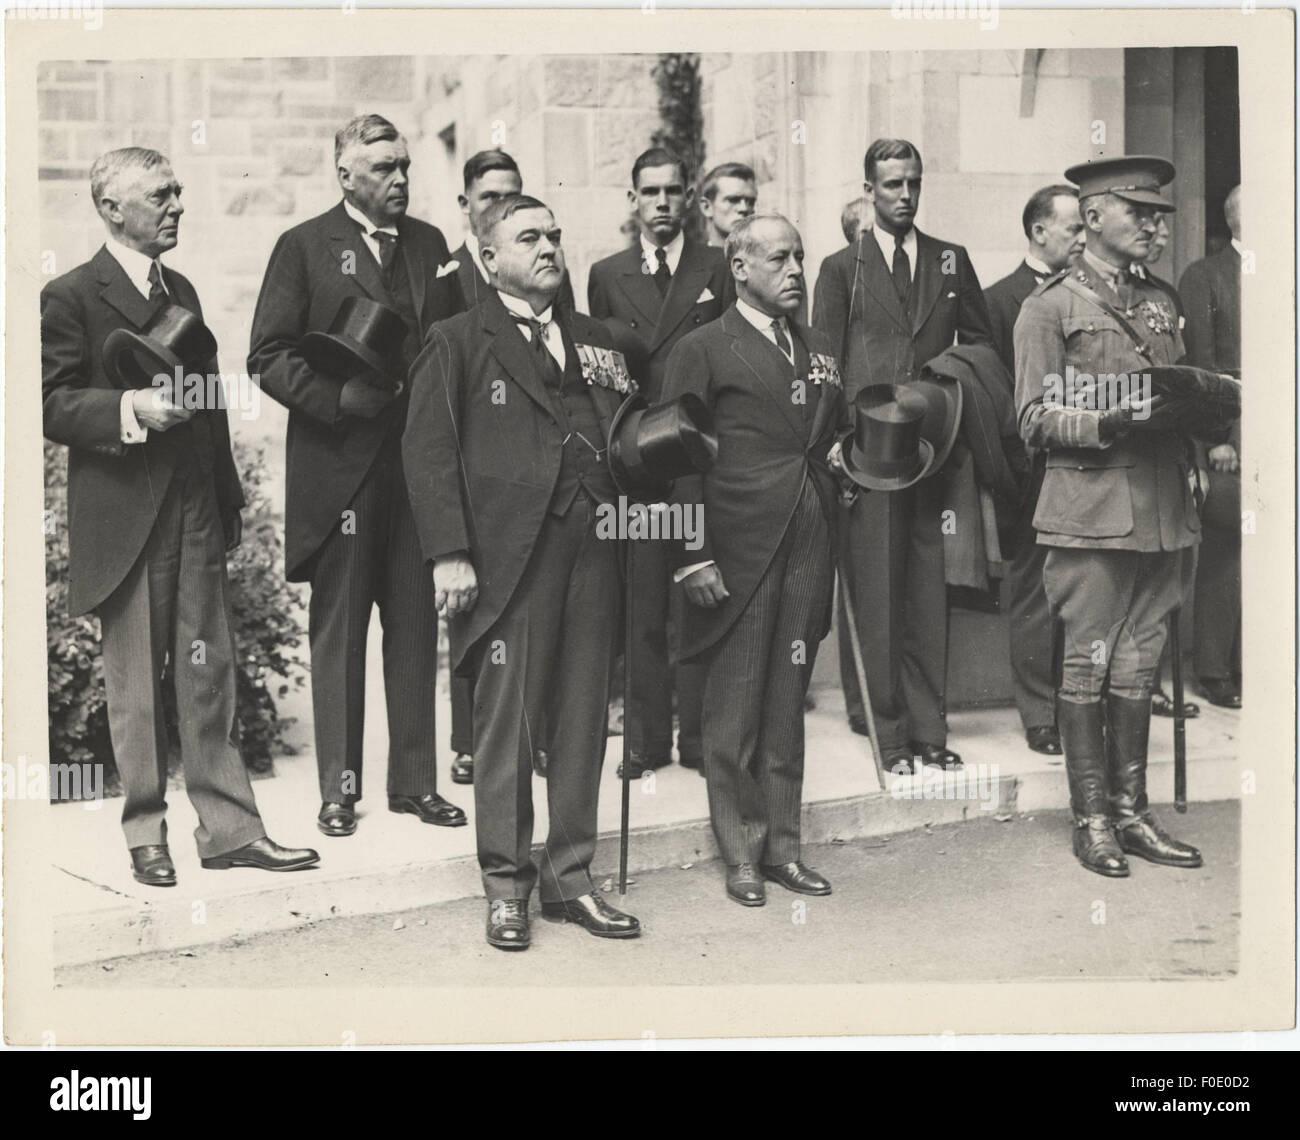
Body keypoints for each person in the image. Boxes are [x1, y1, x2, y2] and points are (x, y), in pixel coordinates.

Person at [43, 147, 319, 884]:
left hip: (194, 506)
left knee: (209, 671)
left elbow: (210, 407)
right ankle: (145, 834)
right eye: (160, 196)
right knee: (135, 684)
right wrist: (131, 408)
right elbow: (51, 402)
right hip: (126, 515)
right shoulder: (70, 295)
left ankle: (230, 829)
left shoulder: (185, 289)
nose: (176, 207)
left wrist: (226, 501)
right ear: (112, 208)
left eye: (178, 193)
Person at [404, 194, 640, 950]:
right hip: (508, 557)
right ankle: (507, 886)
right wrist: (448, 554)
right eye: (528, 237)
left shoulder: (598, 338)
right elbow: (430, 452)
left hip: (594, 548)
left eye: (555, 236)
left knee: (581, 721)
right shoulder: (456, 339)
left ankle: (571, 879)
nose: (548, 248)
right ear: (488, 257)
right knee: (505, 727)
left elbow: (624, 434)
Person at [249, 114, 467, 838]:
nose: (400, 179)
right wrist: (337, 398)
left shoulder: (434, 246)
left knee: (413, 627)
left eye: (404, 165)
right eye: (383, 168)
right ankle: (339, 791)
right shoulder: (302, 247)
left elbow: (458, 342)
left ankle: (415, 783)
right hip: (340, 474)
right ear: (346, 175)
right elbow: (269, 355)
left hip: (417, 472)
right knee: (340, 635)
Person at [1014, 154, 1205, 878]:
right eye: (1141, 213)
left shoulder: (1160, 301)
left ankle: (1133, 813)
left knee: (1138, 662)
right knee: (1090, 664)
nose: (1157, 226)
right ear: (1091, 217)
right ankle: (1092, 819)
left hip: (1162, 507)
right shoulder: (1050, 307)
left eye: (1160, 215)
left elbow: (1177, 386)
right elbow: (1030, 417)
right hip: (1091, 512)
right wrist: (1109, 418)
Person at [664, 214, 848, 905]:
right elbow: (672, 458)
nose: (796, 270)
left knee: (786, 702)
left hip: (808, 538)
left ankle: (783, 848)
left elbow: (833, 434)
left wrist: (845, 457)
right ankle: (740, 852)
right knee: (736, 706)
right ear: (740, 267)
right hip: (736, 547)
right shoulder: (703, 349)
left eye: (799, 257)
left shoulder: (820, 348)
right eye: (779, 259)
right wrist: (690, 555)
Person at [813, 138, 993, 774]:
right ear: (869, 189)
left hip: (933, 451)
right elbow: (824, 363)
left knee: (925, 591)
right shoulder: (842, 268)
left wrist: (950, 398)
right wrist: (834, 444)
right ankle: (887, 734)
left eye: (914, 182)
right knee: (877, 593)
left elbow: (979, 347)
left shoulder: (950, 261)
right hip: (868, 454)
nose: (906, 195)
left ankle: (928, 729)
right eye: (892, 184)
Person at [587, 147, 730, 777]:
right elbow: (600, 371)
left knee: (697, 600)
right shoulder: (607, 273)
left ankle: (697, 738)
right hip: (641, 462)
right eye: (651, 193)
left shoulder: (717, 267)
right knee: (643, 602)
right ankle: (645, 742)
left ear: (689, 198)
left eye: (673, 191)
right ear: (633, 201)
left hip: (699, 455)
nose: (663, 203)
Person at [983, 185, 1086, 756]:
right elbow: (994, 391)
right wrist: (1015, 468)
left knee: (1082, 591)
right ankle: (1039, 714)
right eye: (1072, 226)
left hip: (1084, 470)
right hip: (1027, 473)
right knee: (1031, 593)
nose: (1082, 237)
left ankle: (1077, 703)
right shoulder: (998, 300)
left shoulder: (1088, 296)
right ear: (1039, 231)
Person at [1180, 185, 1243, 708]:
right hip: (1230, 443)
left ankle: (1256, 663)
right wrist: (1217, 439)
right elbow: (1200, 367)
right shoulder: (1204, 277)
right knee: (1227, 553)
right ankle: (1215, 669)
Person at [453, 148, 576, 313]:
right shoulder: (449, 274)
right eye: (491, 197)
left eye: (512, 197)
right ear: (465, 204)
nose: (503, 206)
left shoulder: (549, 268)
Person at [698, 161, 758, 248]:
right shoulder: (692, 260)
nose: (744, 208)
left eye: (751, 202)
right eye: (733, 200)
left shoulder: (763, 260)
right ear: (706, 207)